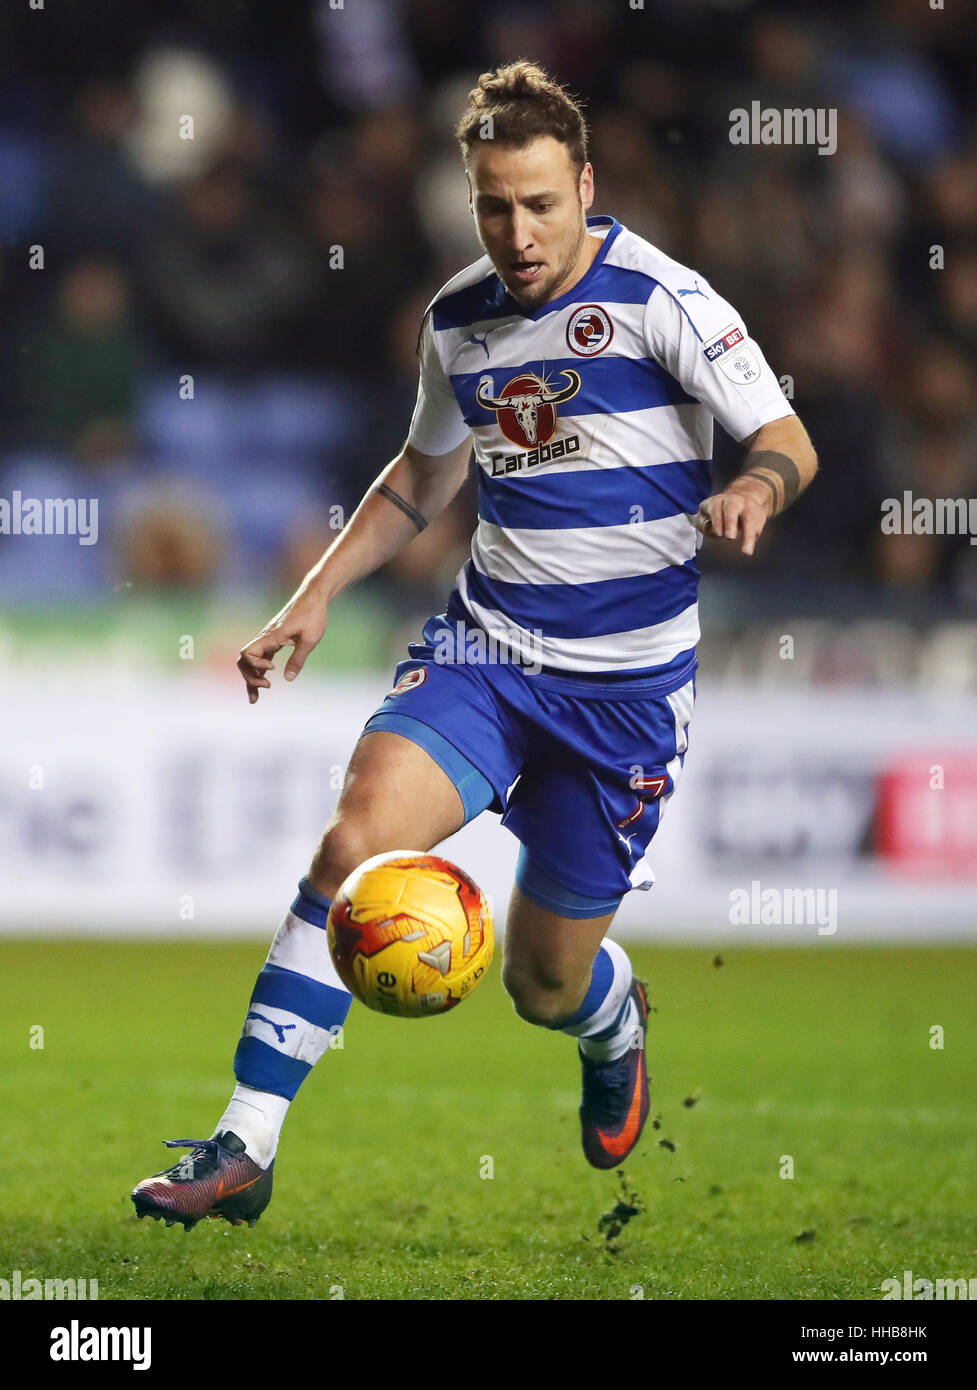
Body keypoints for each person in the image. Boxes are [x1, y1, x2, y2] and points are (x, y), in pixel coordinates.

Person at [131, 61, 817, 1230]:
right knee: (350, 845)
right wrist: (311, 596)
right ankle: (244, 1145)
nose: (517, 230)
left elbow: (786, 435)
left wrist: (754, 485)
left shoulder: (664, 299)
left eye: (540, 203)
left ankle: (611, 1021)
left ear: (585, 186)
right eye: (493, 204)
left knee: (541, 985)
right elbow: (421, 474)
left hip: (623, 699)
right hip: (485, 656)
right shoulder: (458, 318)